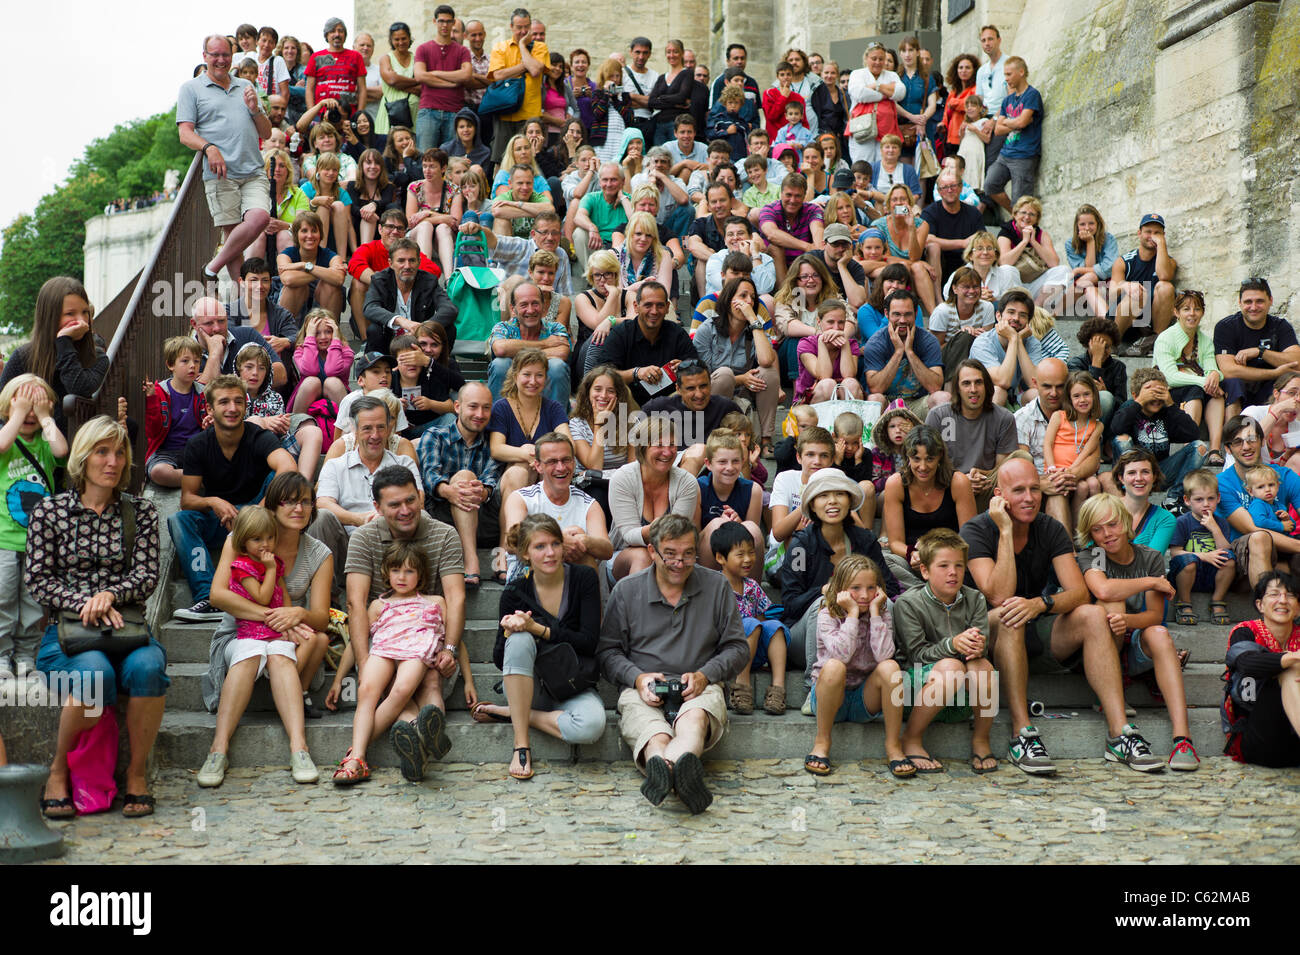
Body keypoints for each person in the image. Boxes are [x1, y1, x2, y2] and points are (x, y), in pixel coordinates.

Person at [965, 455, 1157, 774]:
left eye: (1034, 489)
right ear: (999, 495)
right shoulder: (978, 529)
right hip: (988, 633)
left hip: (1036, 624)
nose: (1029, 498)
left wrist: (1041, 604)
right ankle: (1021, 733)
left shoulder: (1049, 527)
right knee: (1010, 610)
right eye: (1018, 491)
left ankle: (1119, 733)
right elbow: (998, 594)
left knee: (1092, 615)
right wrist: (1005, 532)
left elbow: (1079, 592)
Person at [31, 417, 165, 819]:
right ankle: (58, 771)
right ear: (83, 457)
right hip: (69, 630)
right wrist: (84, 602)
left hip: (127, 627)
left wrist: (109, 595)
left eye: (119, 453)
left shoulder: (139, 512)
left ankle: (136, 774)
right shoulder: (50, 512)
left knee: (149, 667)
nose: (113, 461)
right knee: (95, 675)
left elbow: (146, 575)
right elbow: (38, 579)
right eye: (102, 451)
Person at [598, 513, 749, 814]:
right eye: (670, 555)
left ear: (697, 551)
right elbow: (608, 653)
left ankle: (666, 771)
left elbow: (738, 649)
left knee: (693, 721)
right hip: (641, 685)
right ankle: (676, 771)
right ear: (652, 551)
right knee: (653, 733)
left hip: (699, 683)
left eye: (688, 554)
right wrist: (637, 678)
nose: (679, 563)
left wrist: (706, 675)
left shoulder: (717, 586)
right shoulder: (627, 591)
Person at [196, 472, 332, 787]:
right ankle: (218, 750)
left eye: (306, 502)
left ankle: (299, 749)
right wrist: (270, 614)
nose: (299, 508)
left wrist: (298, 612)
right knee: (249, 656)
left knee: (282, 656)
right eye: (289, 501)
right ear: (272, 507)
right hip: (239, 634)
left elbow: (321, 618)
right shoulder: (241, 539)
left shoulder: (318, 554)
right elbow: (218, 595)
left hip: (285, 638)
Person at [342, 465, 474, 779]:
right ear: (376, 507)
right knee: (386, 681)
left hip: (429, 636)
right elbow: (356, 604)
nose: (405, 510)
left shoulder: (444, 534)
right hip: (384, 636)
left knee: (428, 681)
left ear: (421, 496)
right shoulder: (363, 539)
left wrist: (451, 649)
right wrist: (363, 661)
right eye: (394, 505)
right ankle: (420, 737)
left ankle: (357, 755)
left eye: (410, 500)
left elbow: (455, 598)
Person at [471, 515, 604, 779]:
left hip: (571, 684)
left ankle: (514, 714)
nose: (550, 553)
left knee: (593, 725)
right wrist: (510, 631)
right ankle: (521, 745)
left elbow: (589, 642)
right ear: (525, 554)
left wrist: (539, 630)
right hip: (529, 688)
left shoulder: (583, 578)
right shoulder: (515, 592)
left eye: (555, 543)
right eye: (540, 547)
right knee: (518, 639)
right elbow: (500, 660)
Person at [1075, 493, 1199, 771]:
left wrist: (1126, 621)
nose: (1106, 534)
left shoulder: (1150, 556)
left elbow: (1155, 616)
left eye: (1112, 524)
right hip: (1095, 646)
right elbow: (1103, 590)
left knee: (1159, 633)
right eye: (1097, 529)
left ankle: (1183, 739)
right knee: (1111, 602)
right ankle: (1108, 690)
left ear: (1125, 522)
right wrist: (1152, 582)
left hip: (1130, 637)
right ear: (1089, 533)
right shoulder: (1092, 554)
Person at [169, 375, 296, 621]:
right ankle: (206, 597)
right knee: (179, 519)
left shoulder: (258, 436)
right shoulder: (197, 445)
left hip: (260, 519)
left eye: (238, 401)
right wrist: (213, 502)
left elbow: (288, 467)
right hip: (221, 520)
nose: (232, 408)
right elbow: (188, 499)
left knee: (278, 478)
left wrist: (254, 515)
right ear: (210, 408)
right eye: (224, 402)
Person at [334, 542, 450, 784]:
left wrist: (467, 676)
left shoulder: (435, 601)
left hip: (415, 651)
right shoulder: (378, 604)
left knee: (400, 690)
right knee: (367, 689)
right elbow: (358, 641)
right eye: (396, 570)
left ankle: (355, 757)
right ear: (386, 573)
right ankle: (365, 755)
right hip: (384, 649)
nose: (402, 577)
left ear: (421, 575)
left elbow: (453, 638)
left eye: (409, 571)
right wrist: (338, 679)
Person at [778, 467, 900, 688]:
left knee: (888, 605)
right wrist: (826, 592)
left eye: (839, 494)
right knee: (821, 605)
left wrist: (865, 600)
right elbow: (790, 604)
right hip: (806, 636)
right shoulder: (800, 546)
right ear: (812, 505)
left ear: (850, 500)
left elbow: (889, 586)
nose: (832, 501)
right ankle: (814, 686)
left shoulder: (865, 541)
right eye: (823, 495)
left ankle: (881, 677)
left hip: (857, 634)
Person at [892, 529, 997, 774]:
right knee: (952, 668)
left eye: (959, 566)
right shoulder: (908, 603)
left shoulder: (975, 599)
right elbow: (916, 654)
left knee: (982, 667)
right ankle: (911, 738)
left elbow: (980, 647)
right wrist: (952, 645)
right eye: (944, 566)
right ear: (925, 571)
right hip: (915, 694)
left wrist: (976, 647)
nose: (953, 572)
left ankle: (981, 739)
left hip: (960, 698)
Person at [178, 34, 273, 282]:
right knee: (234, 243)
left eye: (225, 55)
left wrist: (255, 110)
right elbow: (185, 133)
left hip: (252, 170)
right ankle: (246, 306)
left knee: (260, 217)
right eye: (215, 55)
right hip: (221, 175)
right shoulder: (191, 89)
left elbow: (267, 132)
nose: (221, 60)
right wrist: (209, 148)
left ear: (232, 56)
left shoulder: (245, 86)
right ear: (205, 57)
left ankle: (211, 268)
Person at [802, 554, 908, 776]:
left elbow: (885, 655)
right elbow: (841, 655)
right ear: (840, 589)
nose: (864, 595)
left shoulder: (881, 614)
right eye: (856, 588)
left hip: (864, 698)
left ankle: (893, 746)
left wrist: (876, 615)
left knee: (891, 668)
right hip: (830, 698)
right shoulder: (826, 615)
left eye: (871, 588)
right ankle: (822, 742)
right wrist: (851, 614)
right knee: (834, 667)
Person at [0, 376, 67, 681]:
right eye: (22, 404)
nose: (28, 412)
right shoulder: (5, 438)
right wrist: (16, 414)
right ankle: (2, 657)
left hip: (38, 542)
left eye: (35, 404)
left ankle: (27, 655)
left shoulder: (43, 441)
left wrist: (44, 416)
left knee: (31, 603)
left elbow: (61, 451)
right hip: (4, 540)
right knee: (3, 600)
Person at [500, 432, 612, 580]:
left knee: (585, 559)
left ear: (574, 463)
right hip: (527, 576)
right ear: (538, 466)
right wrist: (558, 541)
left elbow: (607, 549)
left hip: (572, 580)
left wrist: (584, 541)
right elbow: (511, 544)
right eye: (552, 461)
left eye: (566, 460)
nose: (561, 467)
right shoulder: (521, 498)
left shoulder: (589, 504)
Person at [420, 382, 501, 586]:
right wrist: (449, 492)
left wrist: (480, 492)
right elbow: (430, 477)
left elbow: (491, 480)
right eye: (473, 406)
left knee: (466, 478)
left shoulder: (494, 441)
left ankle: (469, 557)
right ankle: (470, 558)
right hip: (441, 514)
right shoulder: (435, 436)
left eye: (486, 408)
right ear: (457, 407)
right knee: (464, 476)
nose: (480, 414)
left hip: (479, 514)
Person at [880, 425, 976, 589]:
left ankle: (927, 593)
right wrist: (914, 554)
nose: (923, 467)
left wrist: (941, 558)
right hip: (915, 562)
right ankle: (925, 593)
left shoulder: (958, 482)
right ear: (908, 457)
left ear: (939, 457)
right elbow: (895, 542)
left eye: (929, 459)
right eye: (916, 459)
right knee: (885, 560)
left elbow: (970, 538)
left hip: (951, 560)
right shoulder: (896, 484)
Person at [710, 521, 788, 716]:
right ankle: (741, 686)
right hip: (726, 652)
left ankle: (778, 688)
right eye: (740, 554)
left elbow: (763, 618)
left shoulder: (752, 586)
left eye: (751, 552)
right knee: (751, 623)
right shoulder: (715, 586)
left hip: (751, 652)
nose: (748, 559)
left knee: (775, 626)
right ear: (720, 557)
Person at [1223, 572, 1300, 766]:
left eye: (1290, 595)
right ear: (1260, 605)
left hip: (1294, 741)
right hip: (1259, 735)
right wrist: (1293, 657)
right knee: (1290, 672)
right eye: (1274, 594)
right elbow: (1247, 664)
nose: (1283, 600)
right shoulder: (1245, 631)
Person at [692, 276, 780, 448]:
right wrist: (740, 379)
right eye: (743, 296)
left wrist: (754, 321)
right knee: (725, 374)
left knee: (768, 373)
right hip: (714, 390)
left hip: (744, 395)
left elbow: (766, 359)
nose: (748, 301)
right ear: (728, 299)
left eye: (753, 298)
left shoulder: (755, 331)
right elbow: (700, 376)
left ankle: (765, 439)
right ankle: (711, 435)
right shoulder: (708, 329)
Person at [1216, 416, 1300, 586]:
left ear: (1262, 441)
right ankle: (1265, 608)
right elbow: (1251, 528)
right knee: (1259, 538)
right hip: (1241, 554)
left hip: (1283, 548)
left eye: (1251, 439)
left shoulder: (1284, 476)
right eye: (1238, 442)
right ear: (1228, 449)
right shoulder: (1222, 483)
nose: (1246, 447)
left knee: (1286, 565)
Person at [1107, 367, 1208, 506]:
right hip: (1134, 473)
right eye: (1150, 391)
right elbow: (1116, 427)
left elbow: (1193, 433)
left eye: (1160, 391)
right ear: (1136, 395)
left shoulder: (1166, 412)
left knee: (1200, 446)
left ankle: (1173, 498)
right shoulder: (1130, 407)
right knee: (1122, 439)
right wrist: (1140, 401)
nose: (1156, 397)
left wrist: (1171, 405)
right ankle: (1129, 490)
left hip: (1159, 473)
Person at [594, 282, 699, 406]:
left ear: (667, 307)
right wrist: (636, 373)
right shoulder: (621, 334)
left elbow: (698, 370)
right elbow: (602, 375)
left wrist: (684, 369)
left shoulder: (677, 334)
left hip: (669, 407)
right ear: (636, 306)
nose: (654, 311)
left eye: (660, 305)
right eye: (648, 305)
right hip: (629, 406)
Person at [1153, 289, 1226, 463]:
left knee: (1216, 396)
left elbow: (1210, 368)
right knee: (1195, 391)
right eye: (1186, 309)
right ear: (1176, 312)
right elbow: (1169, 377)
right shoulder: (1165, 338)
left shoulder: (1205, 341)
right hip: (1166, 393)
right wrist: (1204, 381)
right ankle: (1189, 450)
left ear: (1202, 312)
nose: (1192, 314)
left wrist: (1215, 375)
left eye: (1197, 309)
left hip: (1196, 391)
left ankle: (1215, 450)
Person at [925, 359, 1015, 498]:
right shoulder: (938, 416)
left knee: (1022, 457)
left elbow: (1002, 471)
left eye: (978, 382)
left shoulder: (1004, 418)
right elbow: (927, 464)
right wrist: (961, 481)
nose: (973, 389)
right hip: (947, 490)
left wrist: (982, 477)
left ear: (986, 386)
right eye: (966, 383)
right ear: (957, 389)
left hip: (987, 489)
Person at [1213, 277, 1300, 417]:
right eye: (1248, 302)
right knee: (1233, 383)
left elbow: (1297, 362)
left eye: (1259, 301)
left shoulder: (1280, 326)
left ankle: (1280, 435)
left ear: (1270, 301)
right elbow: (1228, 370)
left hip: (1270, 390)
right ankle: (1233, 436)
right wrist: (1275, 372)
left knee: (1290, 383)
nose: (1253, 307)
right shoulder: (1226, 327)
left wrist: (1261, 352)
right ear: (1240, 303)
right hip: (1239, 392)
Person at [363, 238, 457, 356]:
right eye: (401, 261)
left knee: (449, 328)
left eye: (412, 260)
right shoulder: (380, 280)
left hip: (422, 342)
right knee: (374, 329)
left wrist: (423, 329)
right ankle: (379, 369)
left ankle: (438, 368)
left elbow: (450, 309)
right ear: (390, 263)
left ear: (419, 262)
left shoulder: (429, 281)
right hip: (389, 341)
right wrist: (402, 321)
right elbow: (370, 307)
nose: (407, 266)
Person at [862, 289, 946, 419]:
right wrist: (898, 352)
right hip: (888, 405)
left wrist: (910, 352)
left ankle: (944, 440)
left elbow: (935, 386)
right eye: (896, 314)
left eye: (908, 314)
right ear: (886, 314)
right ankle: (871, 439)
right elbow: (876, 388)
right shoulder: (875, 343)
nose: (902, 320)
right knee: (875, 399)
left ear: (916, 313)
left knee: (943, 397)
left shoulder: (928, 341)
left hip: (918, 404)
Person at [1168, 468, 1235, 626]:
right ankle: (1184, 602)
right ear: (1187, 500)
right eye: (1199, 499)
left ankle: (1217, 601)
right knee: (1189, 560)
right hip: (1187, 573)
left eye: (1210, 498)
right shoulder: (1182, 522)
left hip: (1213, 574)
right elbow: (1175, 552)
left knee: (1230, 560)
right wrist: (1203, 556)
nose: (1206, 504)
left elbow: (1226, 550)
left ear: (1218, 498)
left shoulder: (1221, 522)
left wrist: (1215, 529)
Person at [487, 282, 571, 404]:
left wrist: (515, 352)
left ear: (543, 306)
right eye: (524, 305)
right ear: (513, 309)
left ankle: (555, 421)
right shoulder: (503, 327)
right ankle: (499, 419)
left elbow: (561, 353)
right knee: (500, 364)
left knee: (557, 367)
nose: (530, 310)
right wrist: (545, 343)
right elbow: (500, 349)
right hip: (512, 390)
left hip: (545, 393)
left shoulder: (556, 328)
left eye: (535, 303)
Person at [1041, 370, 1103, 532]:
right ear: (1069, 398)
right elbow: (1047, 444)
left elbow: (1087, 452)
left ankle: (1091, 528)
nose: (1082, 400)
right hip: (1055, 469)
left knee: (1093, 483)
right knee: (1083, 487)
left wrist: (1071, 470)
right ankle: (1077, 530)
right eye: (1076, 396)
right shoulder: (1058, 416)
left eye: (1086, 394)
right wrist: (1052, 467)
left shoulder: (1097, 425)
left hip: (1076, 470)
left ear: (1094, 395)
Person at [982, 57, 1043, 212]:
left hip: (1024, 155)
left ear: (1021, 72)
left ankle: (1023, 227)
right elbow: (998, 130)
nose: (1006, 78)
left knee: (1021, 202)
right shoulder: (1007, 100)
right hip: (1005, 154)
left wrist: (1008, 122)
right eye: (1005, 74)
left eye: (1009, 74)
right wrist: (1014, 122)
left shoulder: (1032, 95)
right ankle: (1016, 216)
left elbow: (1021, 123)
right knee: (990, 185)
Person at [1111, 212, 1177, 353]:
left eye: (1157, 233)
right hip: (1123, 320)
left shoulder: (1169, 261)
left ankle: (1154, 342)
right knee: (1137, 293)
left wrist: (1161, 244)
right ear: (1139, 233)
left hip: (1150, 322)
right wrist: (1126, 285)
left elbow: (1165, 275)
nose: (1152, 236)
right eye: (1148, 232)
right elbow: (1111, 291)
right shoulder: (1124, 261)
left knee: (1166, 287)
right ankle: (1113, 345)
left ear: (1163, 235)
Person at [488, 10, 549, 162]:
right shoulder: (500, 48)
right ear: (511, 26)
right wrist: (525, 65)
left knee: (529, 159)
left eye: (526, 27)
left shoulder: (540, 47)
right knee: (500, 160)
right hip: (504, 111)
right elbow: (497, 76)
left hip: (529, 115)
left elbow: (535, 70)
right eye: (519, 27)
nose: (523, 31)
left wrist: (522, 45)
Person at [144, 337, 206, 488]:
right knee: (158, 472)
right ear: (171, 365)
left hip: (195, 451)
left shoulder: (203, 392)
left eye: (197, 361)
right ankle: (201, 480)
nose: (192, 366)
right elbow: (152, 432)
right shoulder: (159, 392)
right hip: (166, 452)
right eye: (185, 361)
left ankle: (194, 478)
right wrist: (151, 400)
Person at [996, 195, 1072, 309]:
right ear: (1015, 214)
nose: (1027, 217)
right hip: (1015, 284)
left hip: (1036, 283)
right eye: (1023, 212)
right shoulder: (1005, 232)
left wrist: (1033, 241)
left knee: (1064, 270)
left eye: (1032, 214)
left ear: (1037, 219)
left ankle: (1037, 307)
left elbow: (1054, 263)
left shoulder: (1042, 234)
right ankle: (1017, 305)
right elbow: (1004, 262)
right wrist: (1024, 241)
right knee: (1006, 270)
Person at [413, 5, 472, 152]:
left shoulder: (462, 51)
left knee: (454, 161)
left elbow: (466, 75)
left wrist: (435, 73)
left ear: (453, 23)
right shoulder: (423, 49)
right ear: (434, 21)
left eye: (448, 21)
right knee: (426, 159)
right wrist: (452, 83)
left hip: (454, 111)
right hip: (428, 110)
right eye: (441, 21)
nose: (444, 25)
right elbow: (420, 75)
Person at [970, 288, 1042, 406]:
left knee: (1036, 394)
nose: (1016, 318)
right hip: (983, 399)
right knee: (999, 392)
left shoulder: (1032, 343)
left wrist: (1017, 340)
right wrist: (1013, 339)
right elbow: (1003, 381)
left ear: (1028, 321)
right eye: (1011, 312)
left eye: (1022, 315)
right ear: (998, 316)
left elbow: (1034, 383)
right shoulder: (983, 343)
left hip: (1014, 397)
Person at [918, 169, 984, 286]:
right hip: (940, 261)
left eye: (953, 186)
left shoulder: (973, 213)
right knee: (933, 247)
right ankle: (937, 300)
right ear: (939, 191)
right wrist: (962, 243)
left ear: (960, 187)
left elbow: (982, 237)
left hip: (967, 260)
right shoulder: (930, 212)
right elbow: (928, 239)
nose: (949, 190)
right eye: (944, 187)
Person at [276, 211, 347, 318]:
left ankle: (329, 331)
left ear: (320, 234)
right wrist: (325, 273)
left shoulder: (331, 256)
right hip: (294, 309)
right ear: (296, 234)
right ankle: (285, 332)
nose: (309, 236)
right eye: (304, 231)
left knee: (330, 285)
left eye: (314, 231)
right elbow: (288, 279)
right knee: (296, 286)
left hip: (322, 310)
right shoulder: (286, 254)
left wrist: (305, 266)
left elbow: (339, 279)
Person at [758, 173, 824, 283]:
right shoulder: (769, 209)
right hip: (777, 269)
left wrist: (817, 246)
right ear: (781, 193)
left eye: (798, 196)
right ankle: (785, 295)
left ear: (804, 196)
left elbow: (818, 229)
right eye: (788, 195)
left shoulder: (812, 210)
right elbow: (771, 233)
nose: (792, 200)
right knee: (775, 248)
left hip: (805, 266)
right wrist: (807, 247)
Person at [846, 42, 904, 166]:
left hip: (886, 128)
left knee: (884, 164)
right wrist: (886, 94)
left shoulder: (892, 75)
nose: (877, 62)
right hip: (862, 129)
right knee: (862, 165)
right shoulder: (857, 74)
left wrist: (877, 86)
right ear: (867, 58)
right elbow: (860, 94)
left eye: (881, 59)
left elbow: (900, 93)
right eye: (874, 59)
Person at [795, 298, 862, 404]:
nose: (836, 328)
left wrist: (844, 345)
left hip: (842, 398)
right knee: (828, 384)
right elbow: (823, 376)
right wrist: (821, 343)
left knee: (851, 383)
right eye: (830, 322)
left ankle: (848, 420)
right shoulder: (806, 344)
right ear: (819, 322)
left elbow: (848, 374)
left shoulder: (851, 344)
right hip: (809, 403)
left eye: (841, 322)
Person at [1067, 317, 1126, 430]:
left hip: (1108, 424)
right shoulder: (1075, 364)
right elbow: (1082, 394)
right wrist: (1096, 358)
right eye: (1097, 346)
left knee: (1106, 397)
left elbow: (1121, 404)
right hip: (1080, 421)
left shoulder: (1119, 367)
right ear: (1087, 344)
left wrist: (1105, 393)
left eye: (1106, 347)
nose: (1102, 351)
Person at [1063, 204, 1116, 318]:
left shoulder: (1109, 239)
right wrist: (1090, 242)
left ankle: (1054, 312)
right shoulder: (1070, 244)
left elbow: (1109, 268)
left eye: (1091, 223)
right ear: (1077, 226)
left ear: (1098, 224)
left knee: (1089, 278)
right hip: (1082, 288)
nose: (1087, 228)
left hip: (1106, 283)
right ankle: (1109, 321)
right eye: (1082, 224)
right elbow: (1087, 273)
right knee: (1088, 279)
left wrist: (1079, 269)